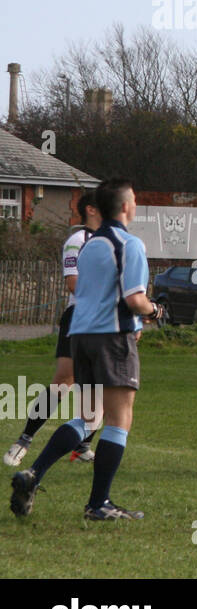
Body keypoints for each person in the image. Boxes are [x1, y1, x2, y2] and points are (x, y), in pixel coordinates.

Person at [11, 177, 162, 521]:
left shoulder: (90, 245)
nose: (135, 204)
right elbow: (135, 299)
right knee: (119, 419)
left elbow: (91, 293)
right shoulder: (129, 244)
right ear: (125, 206)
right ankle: (98, 504)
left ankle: (32, 474)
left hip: (81, 336)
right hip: (112, 338)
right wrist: (155, 311)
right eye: (134, 199)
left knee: (89, 417)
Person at [5, 192, 101, 467]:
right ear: (91, 210)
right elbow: (73, 284)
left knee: (100, 386)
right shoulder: (78, 241)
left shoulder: (114, 242)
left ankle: (82, 444)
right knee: (64, 381)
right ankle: (25, 438)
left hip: (107, 322)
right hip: (81, 316)